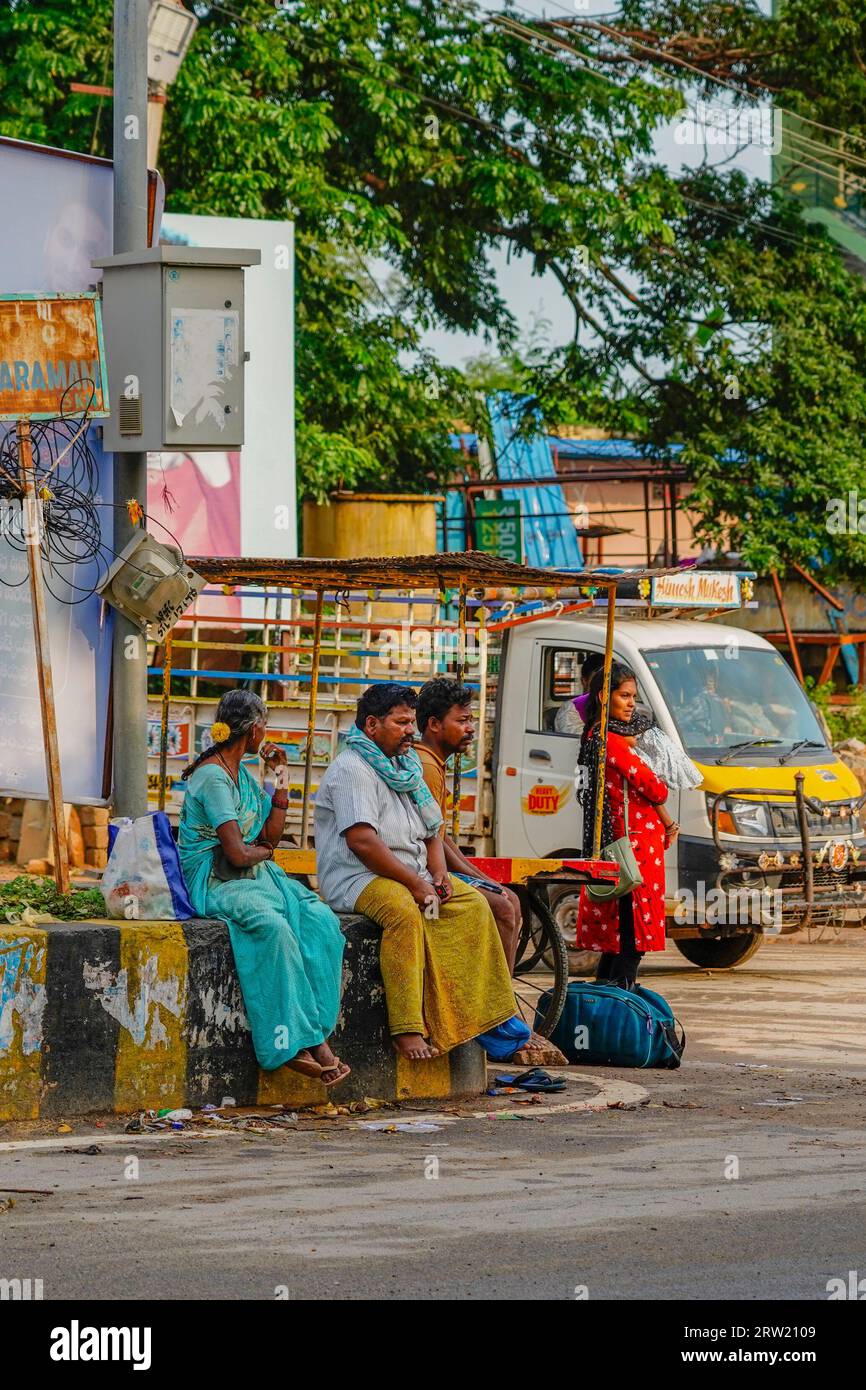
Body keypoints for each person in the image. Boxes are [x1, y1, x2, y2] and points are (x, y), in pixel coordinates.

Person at [314, 682, 517, 1062]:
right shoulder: (352, 769)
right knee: (404, 913)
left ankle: (476, 1019)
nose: (411, 730)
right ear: (372, 725)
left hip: (412, 872)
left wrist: (438, 875)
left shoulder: (403, 766)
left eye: (412, 722)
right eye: (401, 722)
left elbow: (430, 831)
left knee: (474, 905)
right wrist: (415, 884)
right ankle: (407, 1030)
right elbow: (362, 842)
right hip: (358, 878)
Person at [178, 689, 349, 1086]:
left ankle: (314, 1032)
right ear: (255, 730)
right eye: (265, 726)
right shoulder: (213, 777)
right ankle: (296, 1045)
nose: (265, 733)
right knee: (275, 929)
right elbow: (238, 854)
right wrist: (264, 853)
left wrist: (282, 780)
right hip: (215, 879)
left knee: (321, 921)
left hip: (252, 874)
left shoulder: (241, 774)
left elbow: (269, 836)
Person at [576, 663, 672, 988]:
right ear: (605, 696)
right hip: (633, 849)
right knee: (632, 937)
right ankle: (621, 1001)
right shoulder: (613, 742)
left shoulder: (596, 735)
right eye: (624, 695)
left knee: (620, 939)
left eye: (633, 696)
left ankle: (608, 998)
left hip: (623, 845)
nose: (631, 703)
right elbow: (656, 788)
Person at [414, 678, 522, 968]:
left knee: (507, 898)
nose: (471, 728)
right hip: (421, 874)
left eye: (470, 720)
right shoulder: (426, 767)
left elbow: (441, 835)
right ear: (434, 724)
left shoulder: (433, 763)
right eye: (462, 720)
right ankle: (496, 1000)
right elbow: (433, 840)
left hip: (431, 864)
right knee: (504, 906)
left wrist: (484, 878)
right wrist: (488, 883)